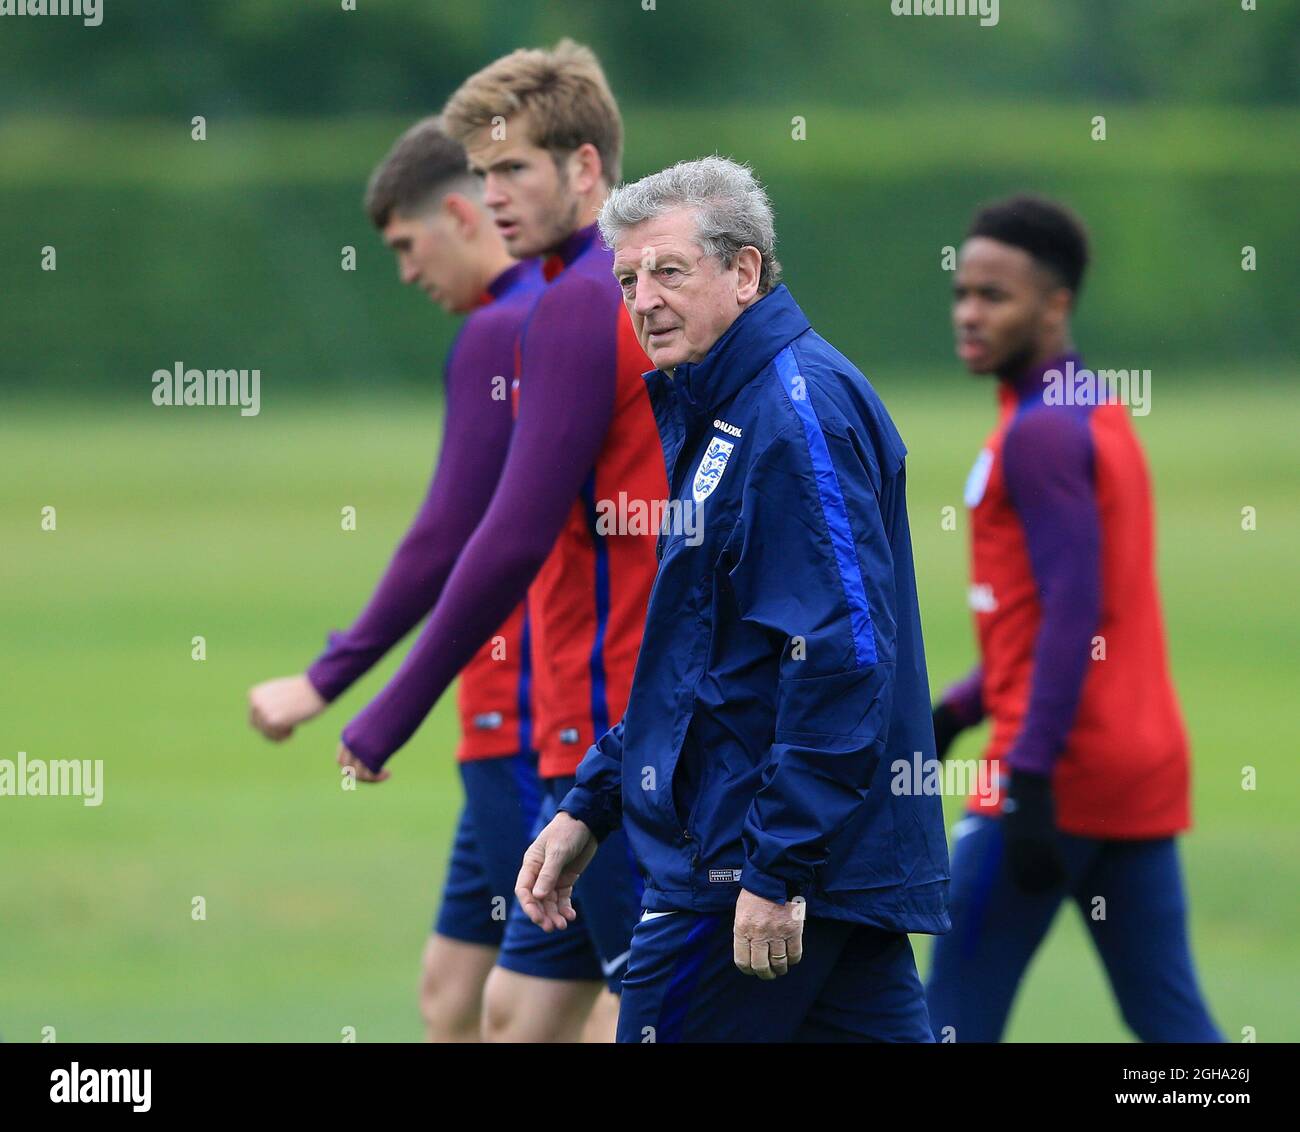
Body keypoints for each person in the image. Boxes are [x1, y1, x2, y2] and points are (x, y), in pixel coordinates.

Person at [520, 156, 951, 1043]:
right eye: (629, 279)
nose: (643, 301)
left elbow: (841, 655)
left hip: (744, 873)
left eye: (670, 272)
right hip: (800, 868)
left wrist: (777, 867)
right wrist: (593, 800)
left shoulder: (792, 414)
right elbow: (702, 659)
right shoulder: (727, 406)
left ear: (744, 271)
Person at [337, 41, 667, 1043]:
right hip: (621, 723)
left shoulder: (578, 302)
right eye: (481, 175)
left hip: (614, 730)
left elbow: (509, 534)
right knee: (513, 1015)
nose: (491, 197)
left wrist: (385, 710)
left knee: (656, 1017)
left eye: (513, 169)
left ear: (584, 168)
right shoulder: (643, 281)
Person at [246, 117, 543, 1042]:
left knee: (548, 1006)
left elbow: (446, 537)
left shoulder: (508, 326)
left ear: (461, 214)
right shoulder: (572, 303)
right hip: (525, 704)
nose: (407, 273)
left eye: (407, 247)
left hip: (531, 708)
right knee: (453, 998)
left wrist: (325, 678)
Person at [925, 194, 1222, 1042]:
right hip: (1138, 767)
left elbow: (1073, 611)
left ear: (1055, 305)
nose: (969, 315)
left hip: (1056, 770)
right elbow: (1061, 607)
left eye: (995, 297)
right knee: (1172, 1023)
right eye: (962, 293)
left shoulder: (1040, 434)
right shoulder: (1089, 408)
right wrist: (959, 706)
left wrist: (1026, 775)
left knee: (947, 1018)